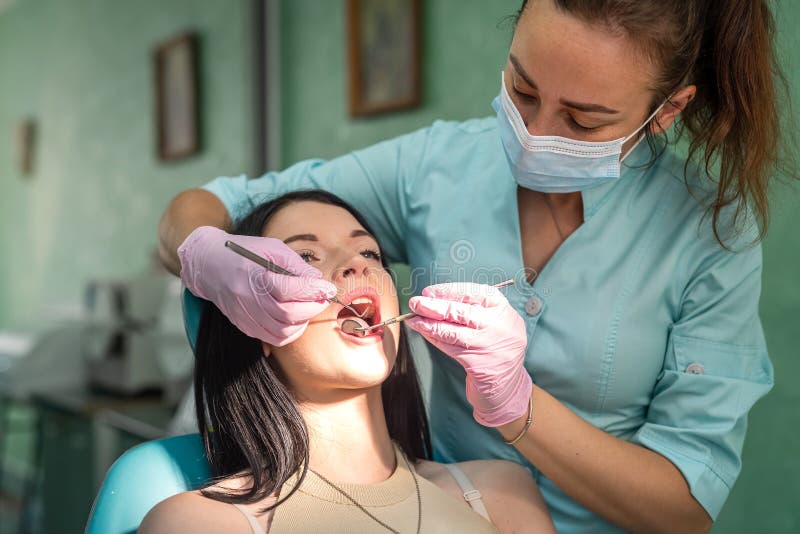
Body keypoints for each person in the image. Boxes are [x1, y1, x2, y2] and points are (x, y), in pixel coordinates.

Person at [158, 1, 793, 531]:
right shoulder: (436, 167)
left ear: (668, 112)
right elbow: (219, 207)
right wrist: (205, 254)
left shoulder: (711, 228)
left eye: (582, 119)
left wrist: (517, 406)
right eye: (522, 89)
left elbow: (686, 505)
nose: (536, 129)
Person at [141, 191, 556, 533]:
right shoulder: (199, 524)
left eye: (370, 253)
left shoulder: (503, 494)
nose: (357, 264)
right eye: (306, 256)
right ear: (254, 318)